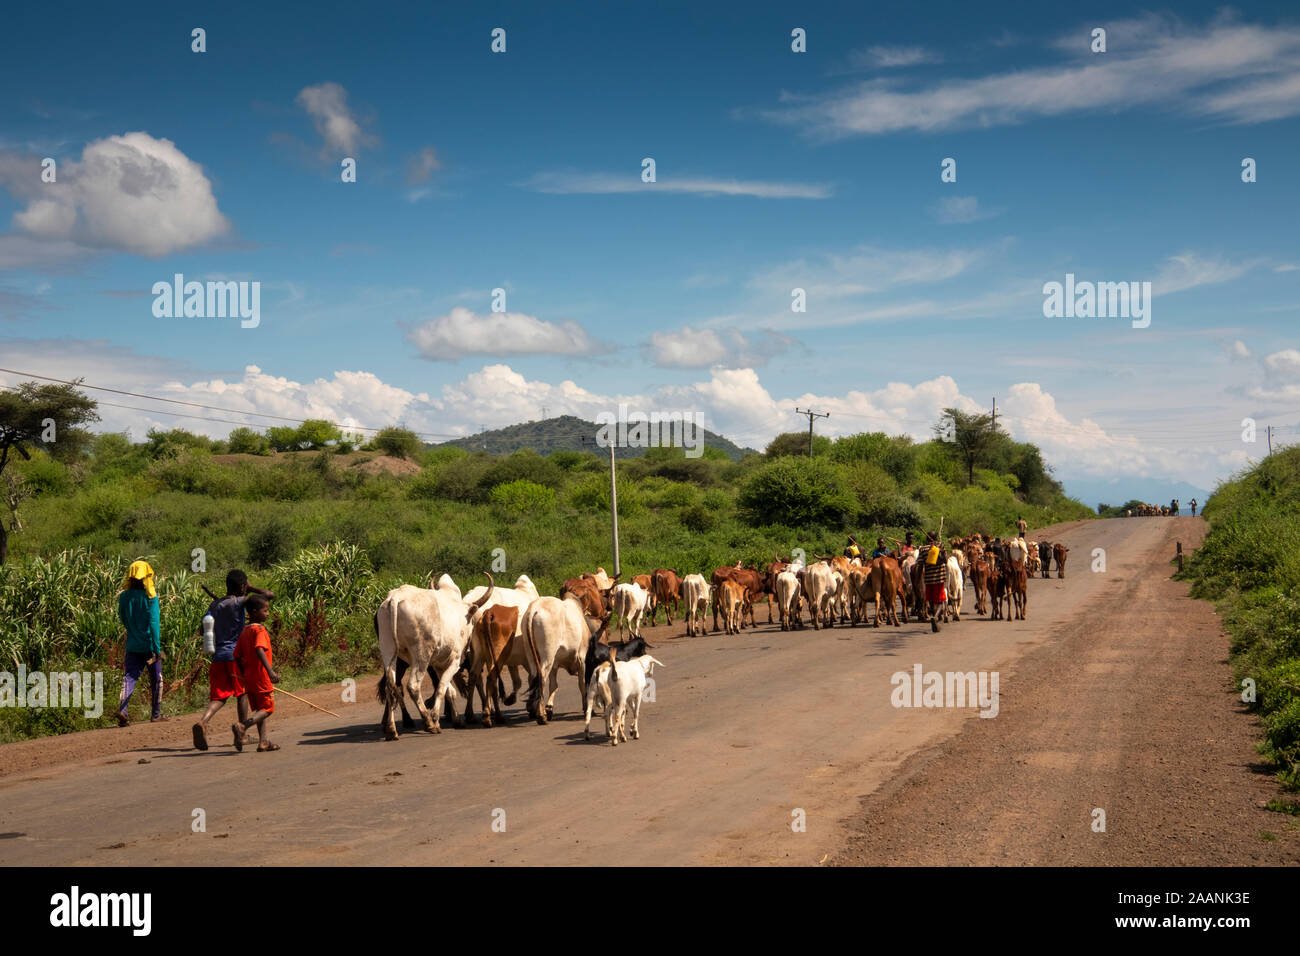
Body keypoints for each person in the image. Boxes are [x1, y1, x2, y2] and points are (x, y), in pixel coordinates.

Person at [193, 569, 275, 751]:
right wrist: (251, 587)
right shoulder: (240, 601)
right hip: (235, 656)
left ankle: (203, 721)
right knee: (242, 693)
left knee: (219, 697)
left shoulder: (214, 606)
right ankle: (242, 732)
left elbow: (204, 629)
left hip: (217, 657)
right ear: (242, 586)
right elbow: (268, 595)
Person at [117, 560, 165, 726]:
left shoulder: (124, 597)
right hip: (149, 646)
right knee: (157, 679)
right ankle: (156, 714)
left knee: (129, 678)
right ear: (146, 576)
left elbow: (123, 617)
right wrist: (157, 650)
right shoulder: (150, 597)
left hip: (132, 645)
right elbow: (154, 624)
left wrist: (132, 631)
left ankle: (123, 711)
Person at [233, 594, 279, 752]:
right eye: (265, 611)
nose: (267, 614)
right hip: (261, 676)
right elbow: (259, 649)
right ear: (254, 612)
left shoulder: (245, 630)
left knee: (260, 708)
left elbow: (236, 655)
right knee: (267, 709)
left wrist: (243, 672)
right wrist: (270, 671)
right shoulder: (259, 630)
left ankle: (263, 741)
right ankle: (242, 726)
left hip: (249, 678)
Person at [921, 532, 947, 632]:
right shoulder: (940, 545)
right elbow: (945, 560)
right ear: (935, 538)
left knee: (931, 601)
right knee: (940, 601)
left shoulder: (922, 549)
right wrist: (941, 551)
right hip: (939, 578)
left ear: (927, 539)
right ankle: (935, 617)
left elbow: (919, 563)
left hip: (928, 579)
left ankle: (933, 615)